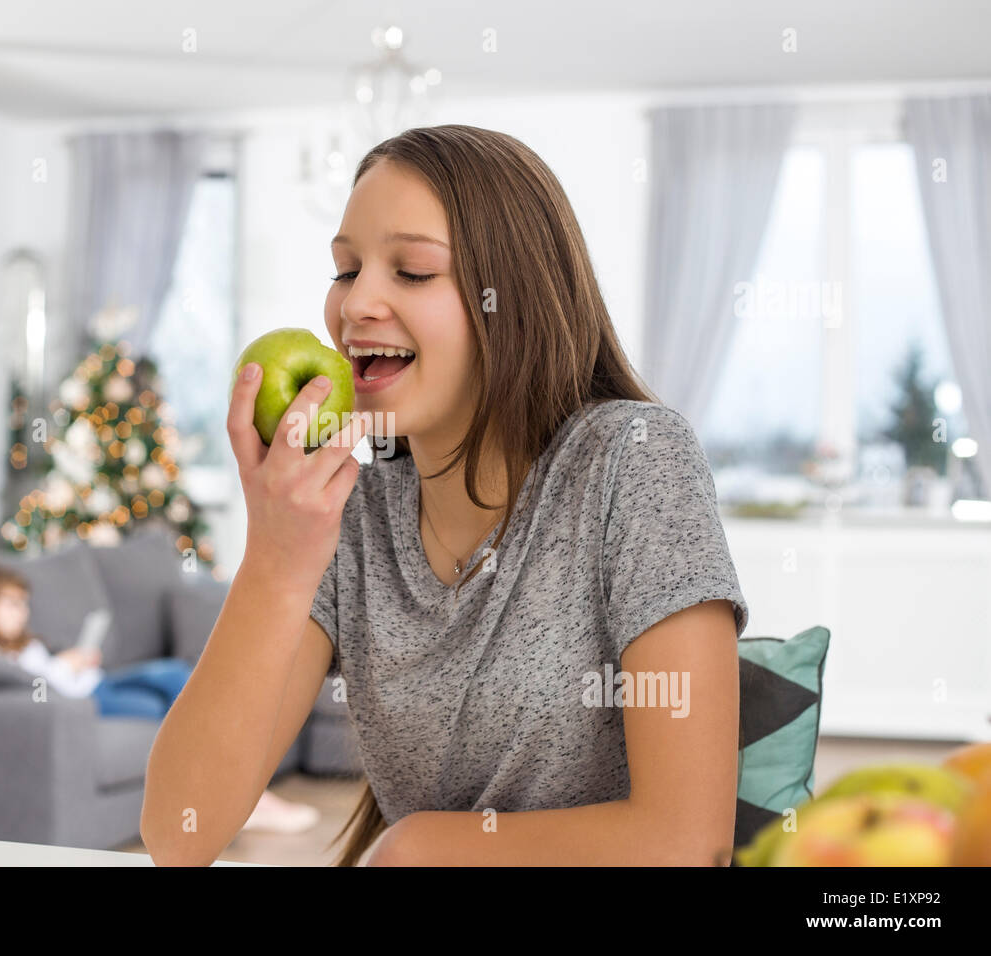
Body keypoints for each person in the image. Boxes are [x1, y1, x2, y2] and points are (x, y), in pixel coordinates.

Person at [141, 124, 749, 867]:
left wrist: (419, 847)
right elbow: (180, 831)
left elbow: (689, 842)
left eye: (414, 272)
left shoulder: (634, 460)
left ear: (513, 301)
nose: (356, 304)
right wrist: (274, 556)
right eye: (346, 269)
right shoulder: (352, 517)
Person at [0, 558, 319, 835]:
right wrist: (63, 667)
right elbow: (35, 687)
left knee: (174, 675)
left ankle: (243, 797)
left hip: (98, 682)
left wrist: (76, 660)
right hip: (86, 701)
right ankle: (244, 801)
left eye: (23, 603)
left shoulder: (28, 644)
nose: (20, 611)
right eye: (9, 603)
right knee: (163, 708)